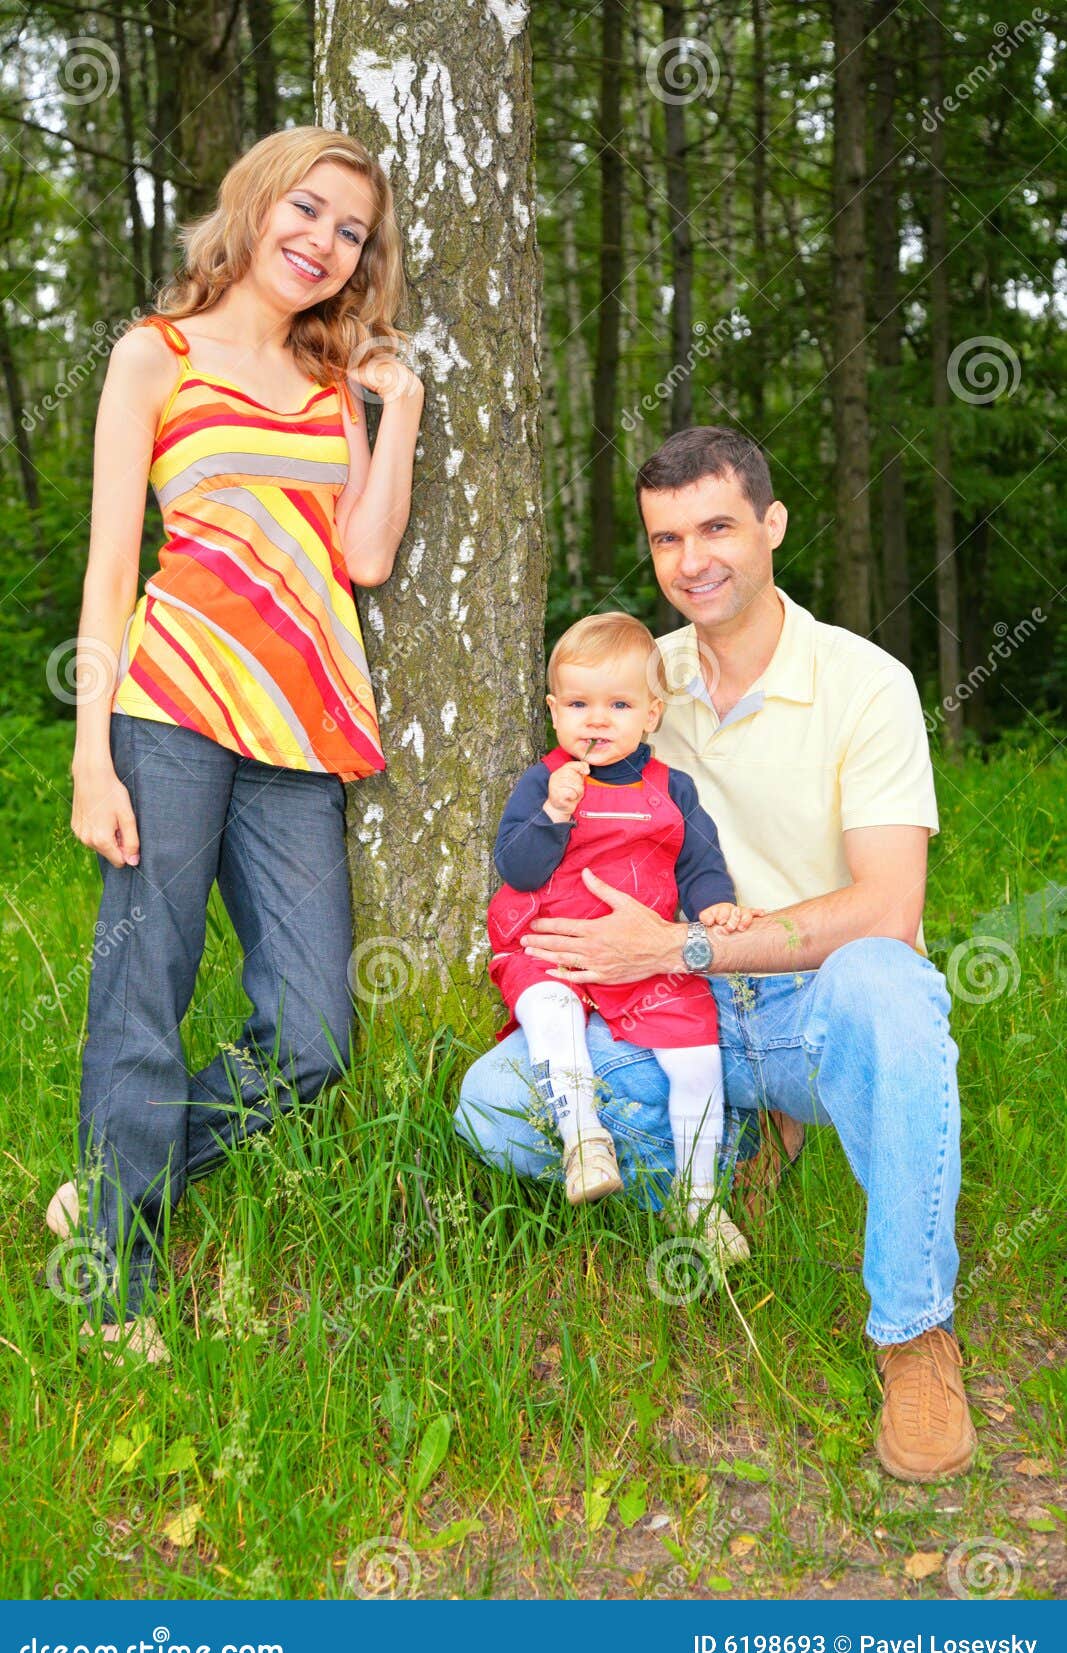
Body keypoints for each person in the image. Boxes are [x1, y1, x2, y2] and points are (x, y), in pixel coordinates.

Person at [455, 426, 977, 1484]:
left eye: (717, 527)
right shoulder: (636, 681)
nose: (691, 558)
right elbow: (545, 838)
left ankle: (912, 1330)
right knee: (494, 1104)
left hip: (802, 1004)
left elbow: (888, 905)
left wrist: (683, 940)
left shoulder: (862, 683)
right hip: (661, 1006)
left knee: (898, 988)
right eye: (664, 538)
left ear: (771, 525)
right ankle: (718, 1166)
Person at [49, 127, 424, 1363]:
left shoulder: (332, 387)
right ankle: (115, 1281)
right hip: (166, 710)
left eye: (350, 232)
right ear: (258, 205)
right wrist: (89, 753)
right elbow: (111, 569)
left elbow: (361, 555)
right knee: (140, 996)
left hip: (301, 728)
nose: (320, 242)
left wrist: (399, 403)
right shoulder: (154, 355)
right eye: (306, 211)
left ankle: (116, 1172)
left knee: (315, 1035)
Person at [488, 611, 761, 1262]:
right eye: (578, 704)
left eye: (618, 704)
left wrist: (715, 907)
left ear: (652, 714)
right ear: (554, 712)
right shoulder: (542, 784)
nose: (596, 719)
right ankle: (583, 1138)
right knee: (547, 1010)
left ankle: (699, 1200)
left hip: (644, 952)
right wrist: (554, 812)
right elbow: (516, 868)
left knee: (696, 1058)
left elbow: (698, 865)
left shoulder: (672, 790)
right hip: (548, 943)